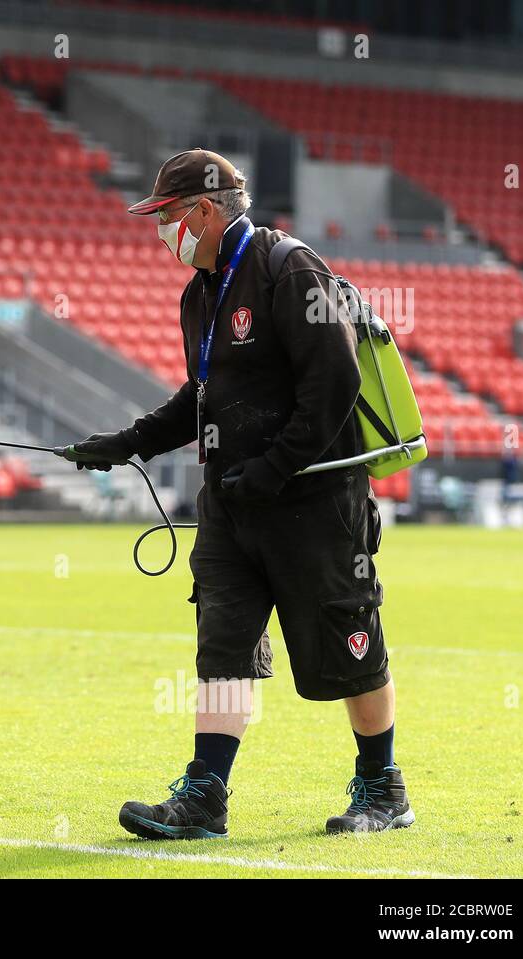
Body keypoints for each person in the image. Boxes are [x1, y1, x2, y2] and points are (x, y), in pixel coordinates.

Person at [73, 149, 411, 839]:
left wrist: (274, 468)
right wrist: (129, 441)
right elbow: (204, 396)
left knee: (349, 643)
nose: (160, 230)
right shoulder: (200, 292)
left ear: (203, 209)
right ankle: (205, 797)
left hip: (314, 503)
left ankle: (384, 788)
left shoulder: (289, 269)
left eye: (166, 216)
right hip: (231, 508)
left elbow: (335, 387)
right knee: (223, 645)